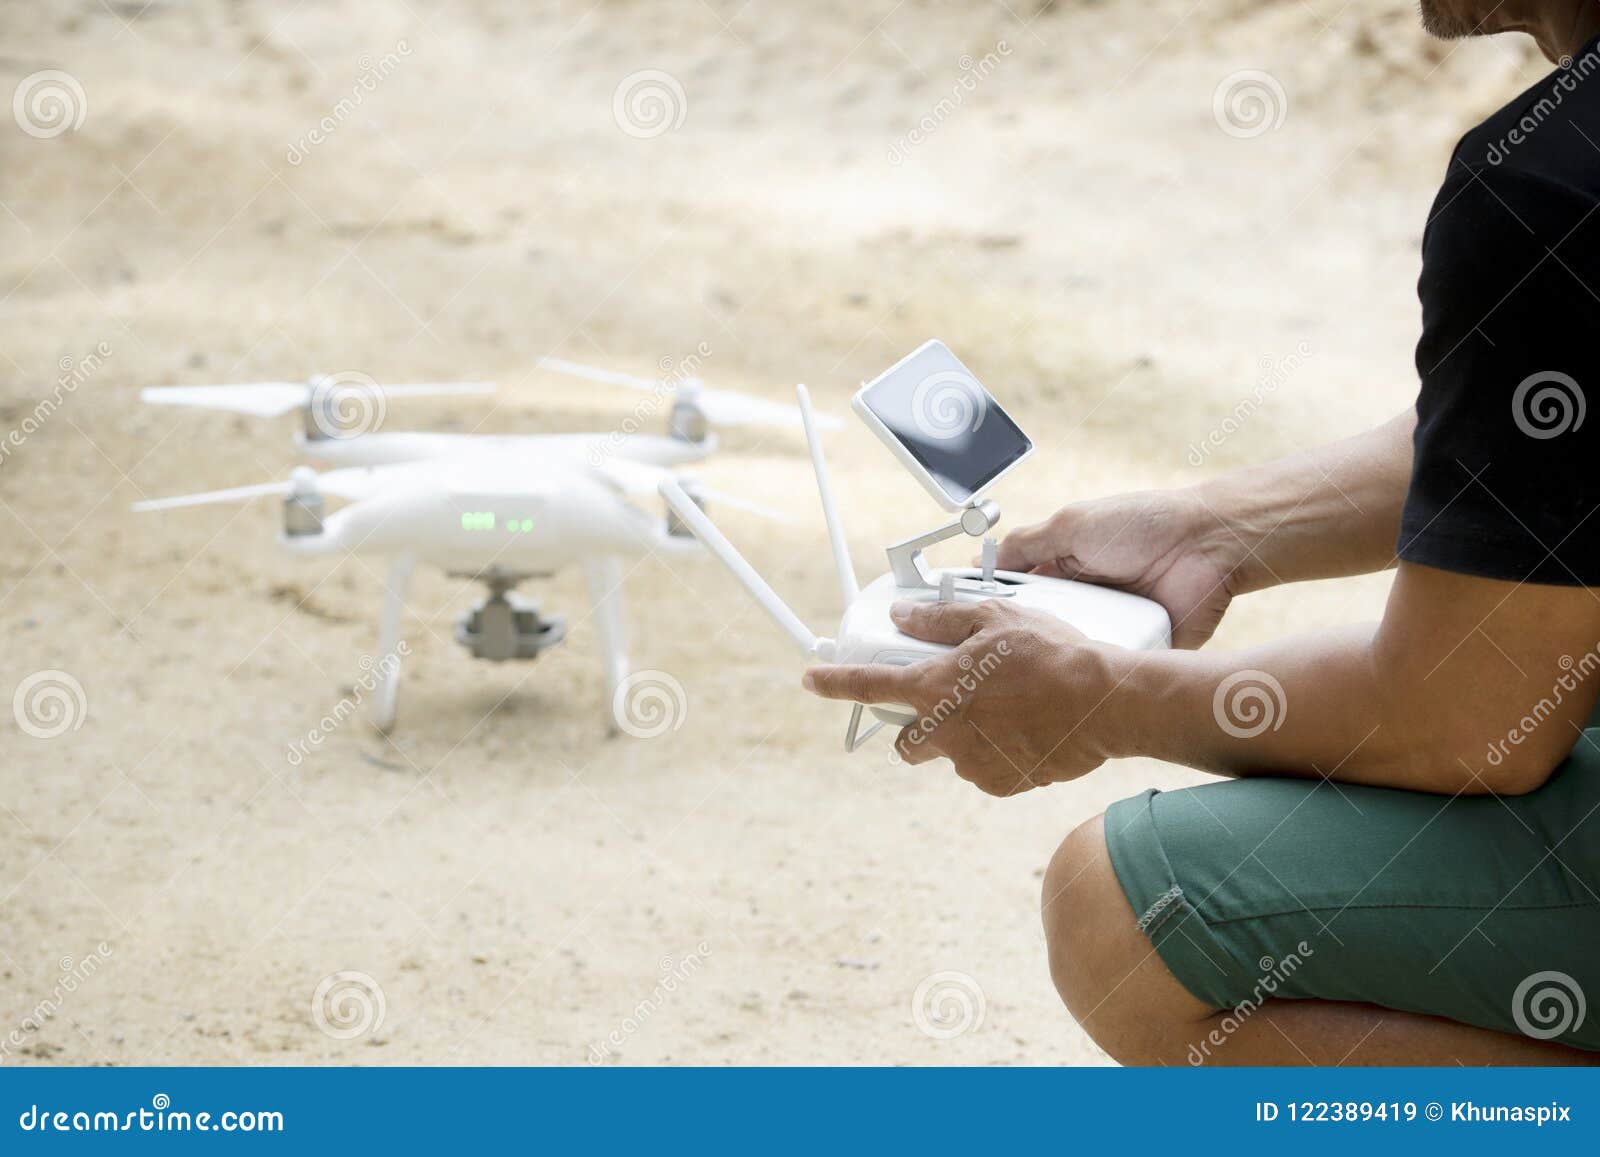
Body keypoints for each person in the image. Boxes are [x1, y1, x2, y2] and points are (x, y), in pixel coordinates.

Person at [803, 0, 1600, 1064]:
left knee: (1127, 910)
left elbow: (1462, 720)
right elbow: (1551, 429)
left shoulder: (1544, 187)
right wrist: (1217, 530)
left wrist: (1097, 699)